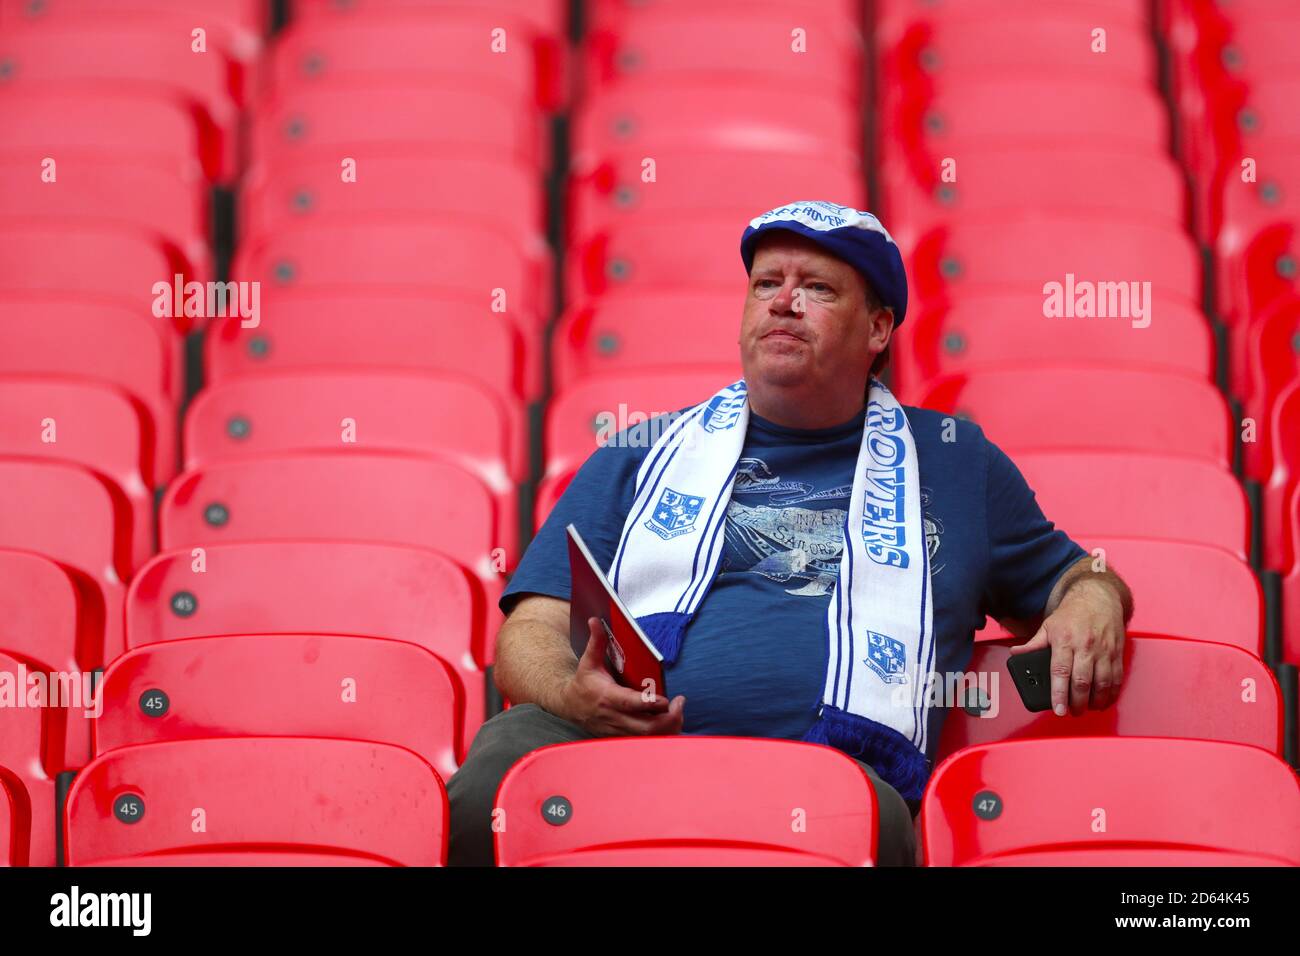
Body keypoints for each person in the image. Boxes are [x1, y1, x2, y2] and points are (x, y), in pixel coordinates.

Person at [447, 200, 1133, 866]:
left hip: (827, 774)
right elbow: (532, 629)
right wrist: (574, 694)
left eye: (817, 288)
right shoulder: (640, 453)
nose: (783, 301)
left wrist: (1094, 601)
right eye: (766, 284)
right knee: (495, 783)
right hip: (615, 742)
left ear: (878, 329)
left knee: (871, 817)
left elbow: (1077, 574)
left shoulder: (956, 459)